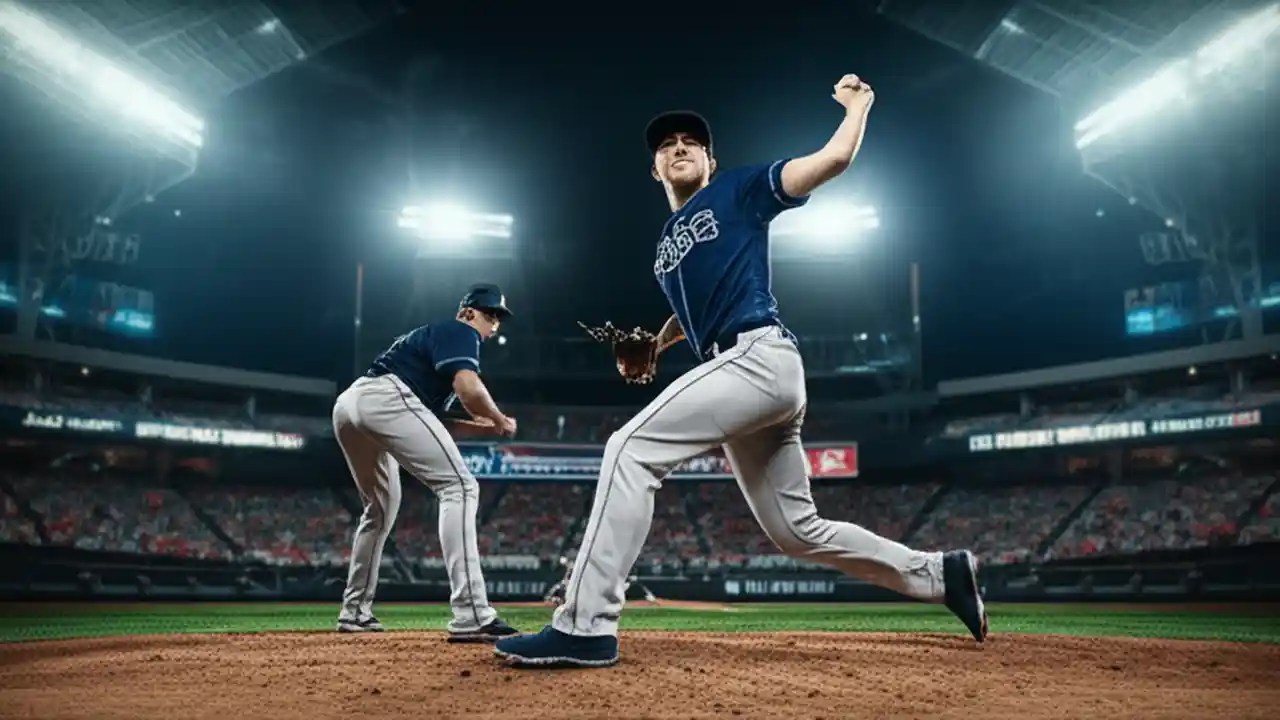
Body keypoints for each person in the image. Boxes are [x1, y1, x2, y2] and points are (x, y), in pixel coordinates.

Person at [496, 74, 987, 667]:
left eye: (691, 141)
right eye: (666, 143)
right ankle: (941, 574)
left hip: (758, 356)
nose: (679, 146)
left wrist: (859, 105)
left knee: (629, 449)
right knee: (796, 531)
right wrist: (656, 341)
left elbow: (832, 159)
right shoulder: (664, 249)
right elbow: (693, 308)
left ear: (709, 159)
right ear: (655, 169)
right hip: (748, 374)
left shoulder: (739, 189)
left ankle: (584, 625)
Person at [332, 282, 519, 642]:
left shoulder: (430, 344)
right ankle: (471, 613)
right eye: (490, 313)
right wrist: (497, 417)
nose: (494, 323)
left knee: (379, 508)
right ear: (467, 312)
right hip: (387, 400)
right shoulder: (460, 330)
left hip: (351, 404)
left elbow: (434, 424)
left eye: (498, 316)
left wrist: (488, 427)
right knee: (460, 486)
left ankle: (354, 613)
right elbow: (469, 388)